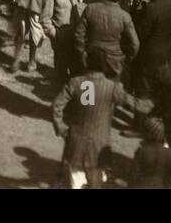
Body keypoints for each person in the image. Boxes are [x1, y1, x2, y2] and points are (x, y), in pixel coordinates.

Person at [51, 47, 153, 188]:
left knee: (75, 181)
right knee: (96, 182)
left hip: (76, 143)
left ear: (87, 62)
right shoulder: (111, 87)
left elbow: (56, 106)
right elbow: (135, 104)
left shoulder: (75, 83)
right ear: (104, 65)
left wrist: (61, 128)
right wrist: (157, 104)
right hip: (99, 147)